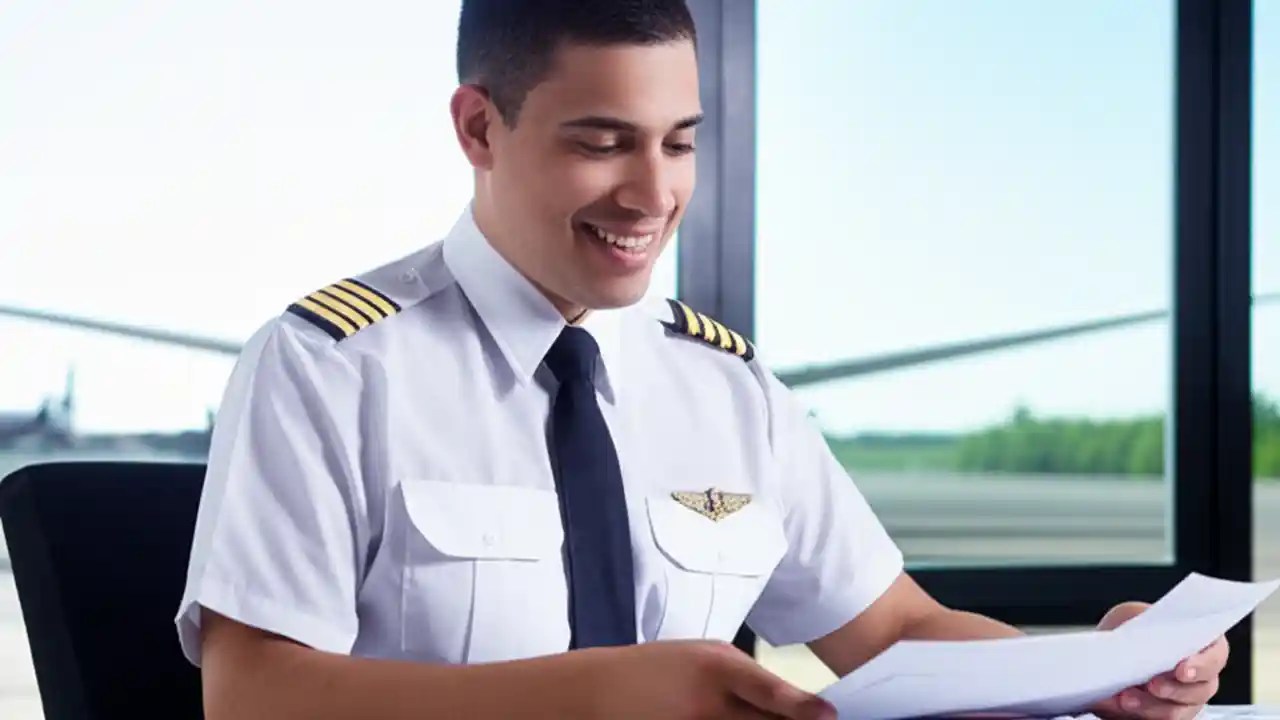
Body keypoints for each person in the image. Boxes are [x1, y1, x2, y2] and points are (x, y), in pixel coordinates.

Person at [175, 1, 1229, 718]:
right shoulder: (328, 367)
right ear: (479, 128)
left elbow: (893, 626)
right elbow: (256, 694)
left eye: (677, 143)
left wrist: (1097, 673)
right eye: (600, 144)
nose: (652, 196)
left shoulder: (727, 387)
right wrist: (596, 698)